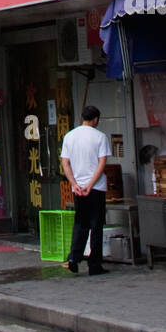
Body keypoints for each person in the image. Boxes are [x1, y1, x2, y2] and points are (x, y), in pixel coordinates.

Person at [61, 105, 111, 277]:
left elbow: (65, 163)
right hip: (96, 188)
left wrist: (74, 184)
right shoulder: (100, 137)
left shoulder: (69, 136)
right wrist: (91, 184)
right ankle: (94, 264)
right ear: (95, 119)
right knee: (96, 225)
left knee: (80, 223)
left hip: (78, 188)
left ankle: (74, 258)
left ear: (83, 117)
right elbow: (102, 163)